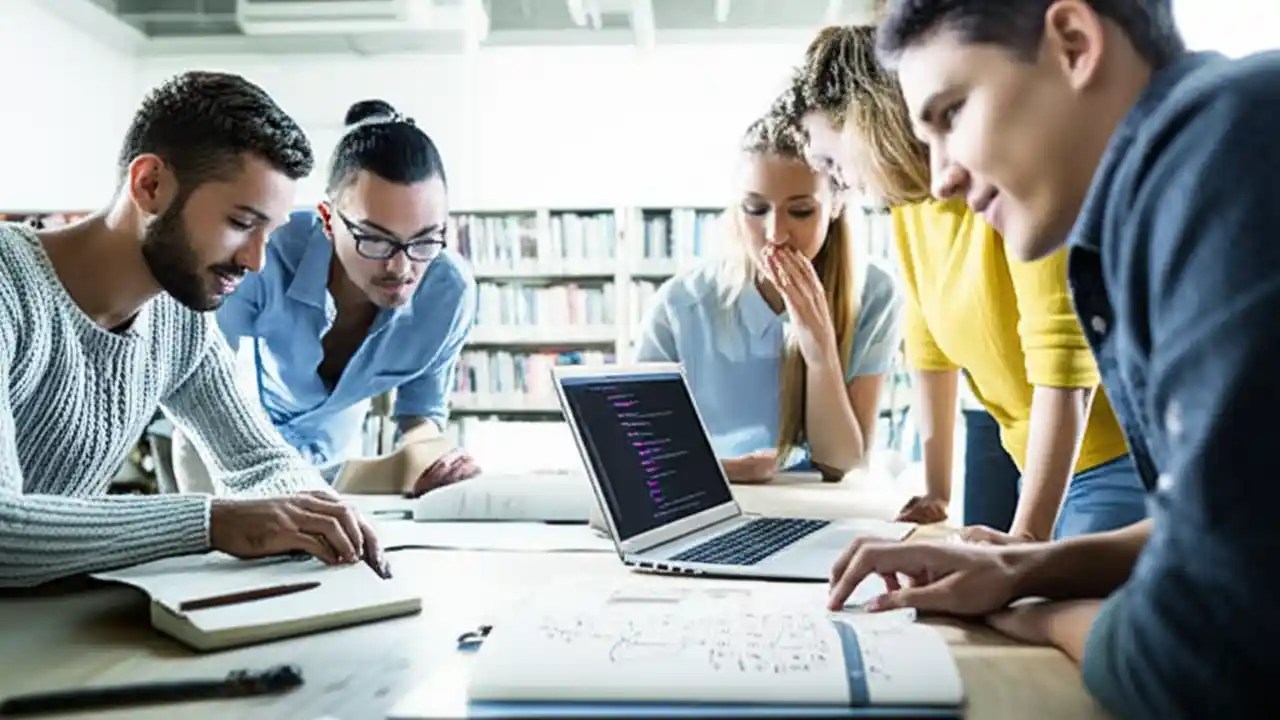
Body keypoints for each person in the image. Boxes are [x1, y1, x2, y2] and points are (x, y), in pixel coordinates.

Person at [829, 1, 1279, 715]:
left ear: (1073, 43)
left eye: (951, 114)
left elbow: (1202, 652)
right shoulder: (1160, 192)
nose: (939, 178)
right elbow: (1214, 520)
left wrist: (1035, 617)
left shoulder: (1227, 154)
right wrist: (1018, 566)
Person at [0, 71, 388, 588]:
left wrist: (318, 515)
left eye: (269, 233)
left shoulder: (179, 319)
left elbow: (260, 460)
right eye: (241, 223)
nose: (255, 261)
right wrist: (215, 523)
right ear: (150, 185)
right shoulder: (9, 287)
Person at [786, 25, 1146, 542]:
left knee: (1035, 613)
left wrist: (1024, 545)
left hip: (1115, 462)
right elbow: (929, 343)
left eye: (832, 163)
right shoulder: (912, 208)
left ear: (865, 124)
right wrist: (937, 491)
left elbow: (1063, 365)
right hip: (1044, 464)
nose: (839, 183)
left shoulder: (1009, 182)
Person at [171, 99, 480, 497]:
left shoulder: (448, 293)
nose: (401, 268)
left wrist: (433, 461)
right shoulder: (264, 254)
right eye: (375, 239)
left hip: (339, 463)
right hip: (230, 441)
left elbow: (420, 415)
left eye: (424, 240)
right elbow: (199, 395)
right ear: (328, 218)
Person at [634, 111, 902, 483]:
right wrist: (727, 472)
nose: (776, 234)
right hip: (713, 505)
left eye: (801, 211)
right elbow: (640, 456)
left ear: (836, 205)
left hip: (820, 513)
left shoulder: (875, 293)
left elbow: (840, 462)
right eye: (756, 209)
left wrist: (820, 351)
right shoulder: (681, 304)